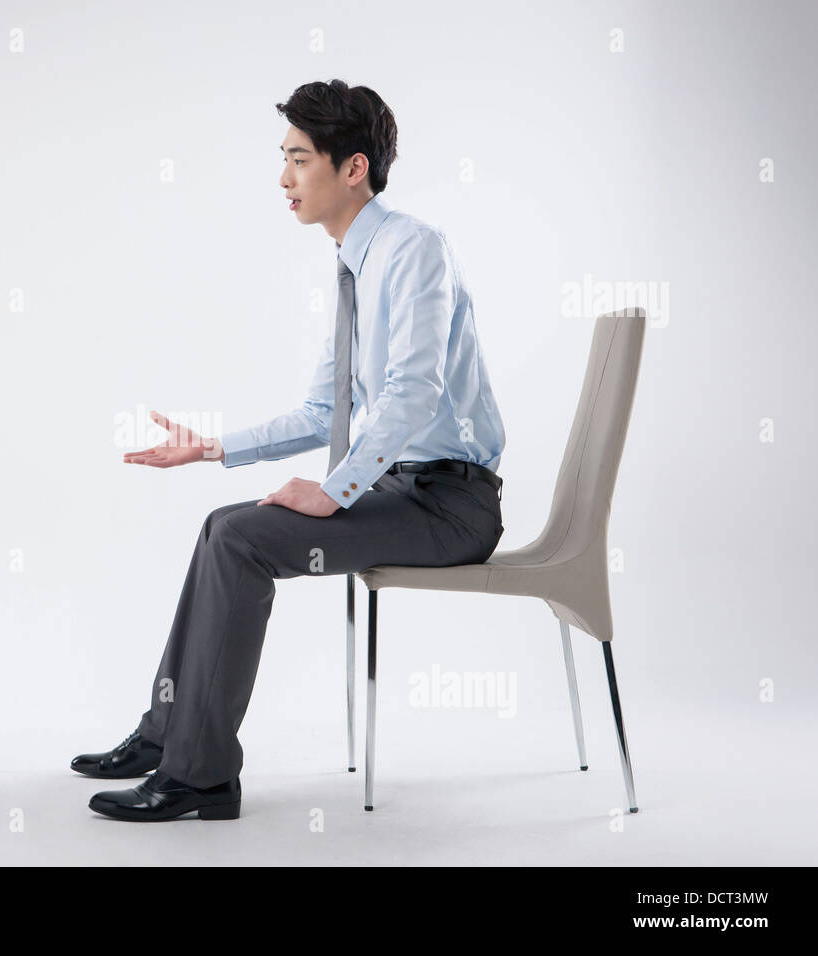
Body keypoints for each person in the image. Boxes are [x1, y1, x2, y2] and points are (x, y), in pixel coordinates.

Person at [72, 79, 507, 821]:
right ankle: (169, 732)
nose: (283, 178)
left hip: (452, 505)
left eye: (298, 159)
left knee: (241, 540)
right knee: (222, 524)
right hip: (403, 490)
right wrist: (212, 448)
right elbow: (320, 410)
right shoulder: (353, 267)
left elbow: (414, 394)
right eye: (284, 159)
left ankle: (202, 777)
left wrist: (335, 490)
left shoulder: (413, 249)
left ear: (353, 169)